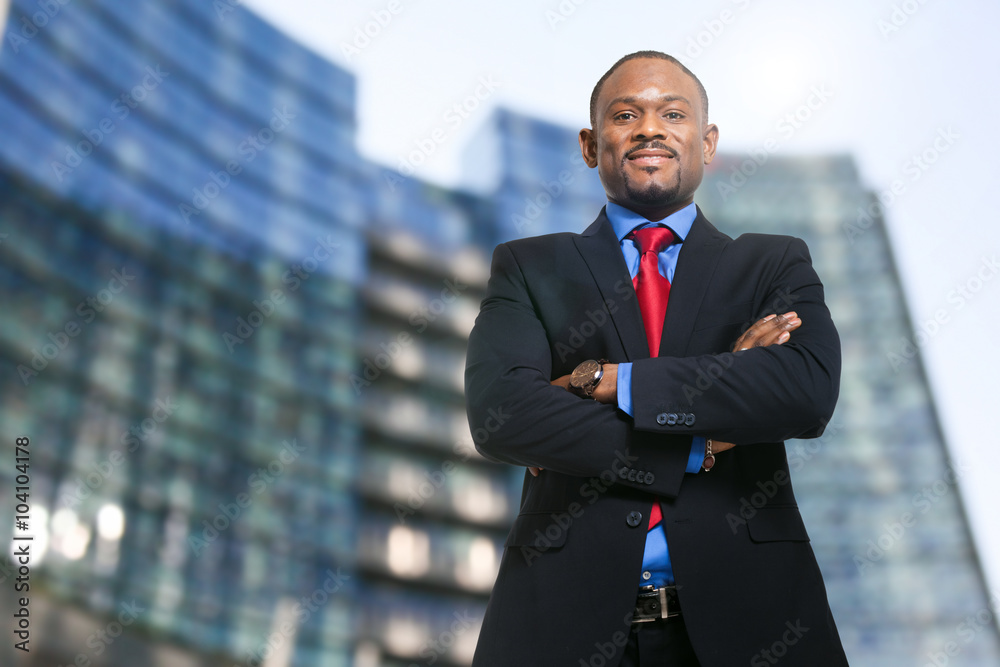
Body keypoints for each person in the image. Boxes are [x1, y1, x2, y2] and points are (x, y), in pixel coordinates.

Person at [464, 51, 848, 666]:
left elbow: (803, 391)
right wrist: (705, 431)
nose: (650, 128)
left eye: (673, 113)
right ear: (591, 145)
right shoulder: (528, 266)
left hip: (756, 618)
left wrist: (604, 382)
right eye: (625, 114)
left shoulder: (772, 263)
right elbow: (503, 417)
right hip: (560, 626)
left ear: (707, 142)